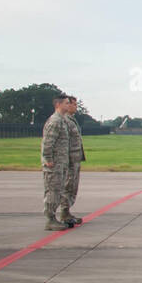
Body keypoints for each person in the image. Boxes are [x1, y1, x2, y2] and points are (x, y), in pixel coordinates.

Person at [42, 96, 72, 230]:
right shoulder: (55, 121)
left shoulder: (62, 120)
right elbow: (48, 142)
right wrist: (48, 159)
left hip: (61, 163)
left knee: (58, 191)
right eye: (66, 103)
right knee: (52, 191)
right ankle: (50, 219)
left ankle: (53, 218)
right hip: (54, 164)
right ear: (58, 104)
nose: (69, 105)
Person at [60, 95, 86, 225]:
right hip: (69, 160)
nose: (76, 107)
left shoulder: (72, 120)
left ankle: (67, 212)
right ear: (67, 105)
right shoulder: (64, 120)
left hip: (75, 159)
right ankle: (64, 214)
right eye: (74, 104)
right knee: (68, 186)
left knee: (73, 187)